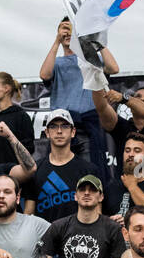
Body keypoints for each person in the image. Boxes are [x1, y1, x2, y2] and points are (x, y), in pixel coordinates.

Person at [39, 18, 119, 172]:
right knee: (58, 171)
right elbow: (44, 74)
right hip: (62, 124)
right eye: (64, 28)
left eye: (72, 29)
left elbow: (113, 68)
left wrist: (94, 40)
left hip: (88, 125)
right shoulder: (57, 62)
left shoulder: (91, 59)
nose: (68, 32)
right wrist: (56, 41)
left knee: (90, 171)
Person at [37, 175, 124, 258]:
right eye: (82, 190)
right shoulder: (59, 226)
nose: (87, 193)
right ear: (75, 196)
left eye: (93, 190)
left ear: (101, 197)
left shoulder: (112, 228)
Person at [28, 109, 104, 223]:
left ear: (73, 132)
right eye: (53, 126)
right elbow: (29, 215)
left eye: (64, 126)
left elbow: (97, 213)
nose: (59, 131)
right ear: (47, 132)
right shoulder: (35, 170)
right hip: (46, 237)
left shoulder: (89, 170)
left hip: (77, 238)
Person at [92, 84, 144, 183]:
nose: (142, 99)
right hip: (125, 192)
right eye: (138, 96)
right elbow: (102, 108)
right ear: (130, 107)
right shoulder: (121, 127)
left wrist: (124, 98)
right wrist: (95, 79)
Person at [0, 72, 35, 166]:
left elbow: (28, 152)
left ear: (6, 88)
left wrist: (10, 136)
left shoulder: (22, 117)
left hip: (14, 176)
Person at [109, 132, 144, 217]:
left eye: (137, 151)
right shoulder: (111, 187)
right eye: (127, 150)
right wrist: (110, 222)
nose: (131, 154)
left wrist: (132, 186)